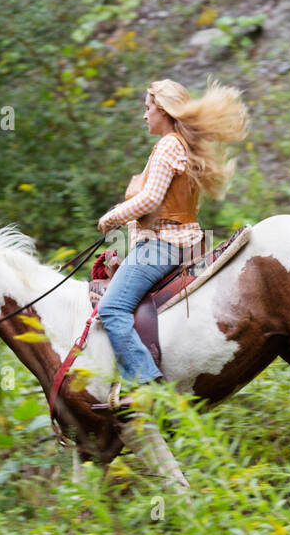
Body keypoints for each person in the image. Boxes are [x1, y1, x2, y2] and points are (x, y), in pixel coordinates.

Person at [95, 78, 249, 414]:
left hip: (164, 245)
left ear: (163, 110)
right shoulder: (178, 145)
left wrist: (112, 218)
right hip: (172, 242)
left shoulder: (168, 146)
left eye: (148, 108)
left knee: (111, 308)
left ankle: (148, 387)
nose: (144, 115)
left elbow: (150, 200)